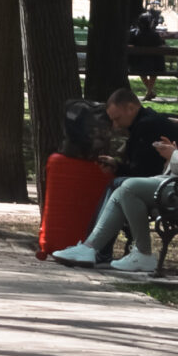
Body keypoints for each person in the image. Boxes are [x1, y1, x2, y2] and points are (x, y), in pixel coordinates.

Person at [52, 76, 178, 279]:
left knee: (128, 187)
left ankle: (139, 252)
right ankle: (91, 247)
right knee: (124, 190)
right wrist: (173, 152)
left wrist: (173, 154)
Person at [36, 99, 114, 259]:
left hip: (49, 242)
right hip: (84, 242)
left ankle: (50, 244)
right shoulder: (102, 168)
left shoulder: (55, 161)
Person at [125, 3, 171, 98]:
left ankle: (150, 92)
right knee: (154, 67)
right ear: (150, 23)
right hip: (155, 65)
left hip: (137, 65)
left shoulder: (134, 34)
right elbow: (161, 45)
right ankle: (149, 91)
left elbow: (129, 45)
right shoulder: (154, 35)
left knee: (141, 69)